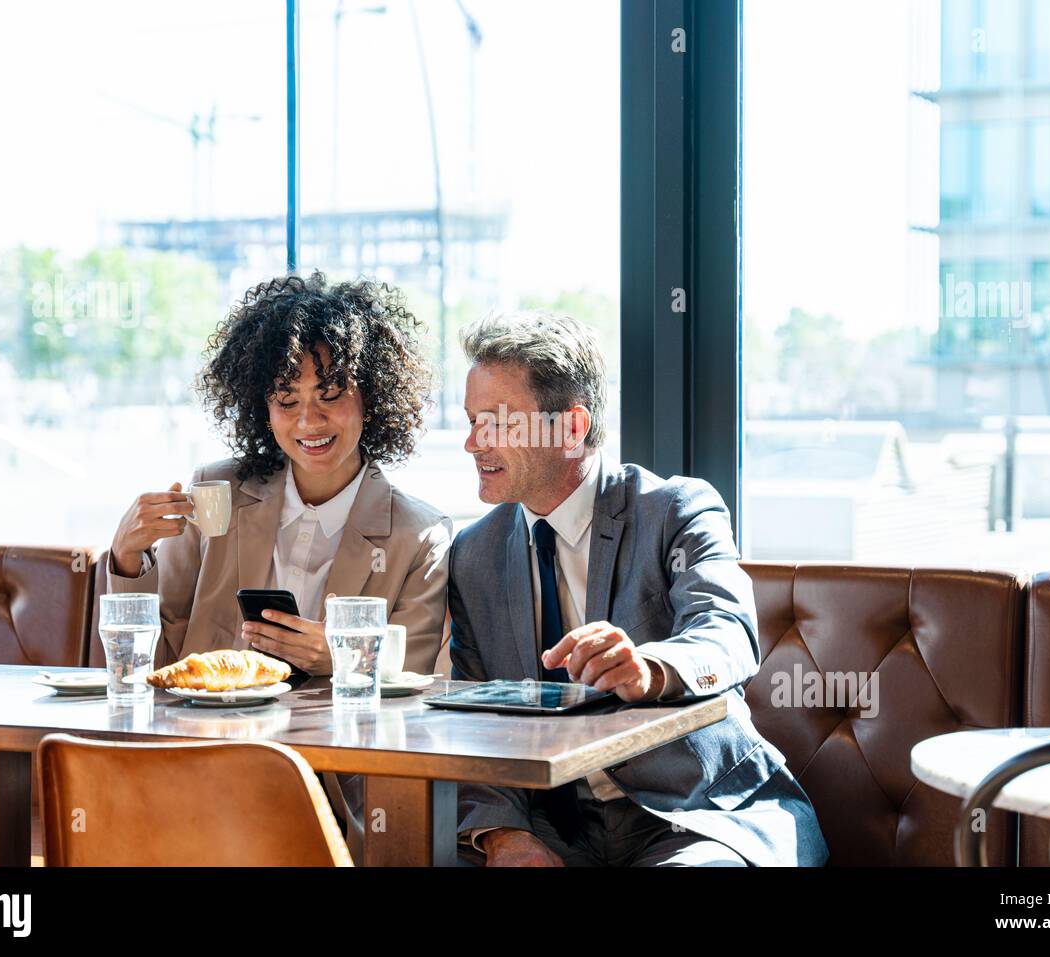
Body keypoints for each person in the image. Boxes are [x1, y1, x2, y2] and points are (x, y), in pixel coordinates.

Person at [448, 312, 828, 867]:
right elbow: (476, 723)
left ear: (571, 427)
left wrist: (650, 669)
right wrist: (503, 836)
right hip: (557, 829)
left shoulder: (677, 509)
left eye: (496, 424)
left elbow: (728, 634)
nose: (470, 444)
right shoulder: (474, 554)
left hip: (698, 817)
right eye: (470, 421)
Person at [96, 271, 451, 860]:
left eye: (330, 397)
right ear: (262, 406)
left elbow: (415, 694)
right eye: (287, 402)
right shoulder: (217, 494)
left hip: (328, 783)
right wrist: (128, 559)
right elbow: (150, 667)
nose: (309, 423)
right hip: (192, 763)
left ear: (373, 395)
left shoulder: (418, 535)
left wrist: (338, 658)